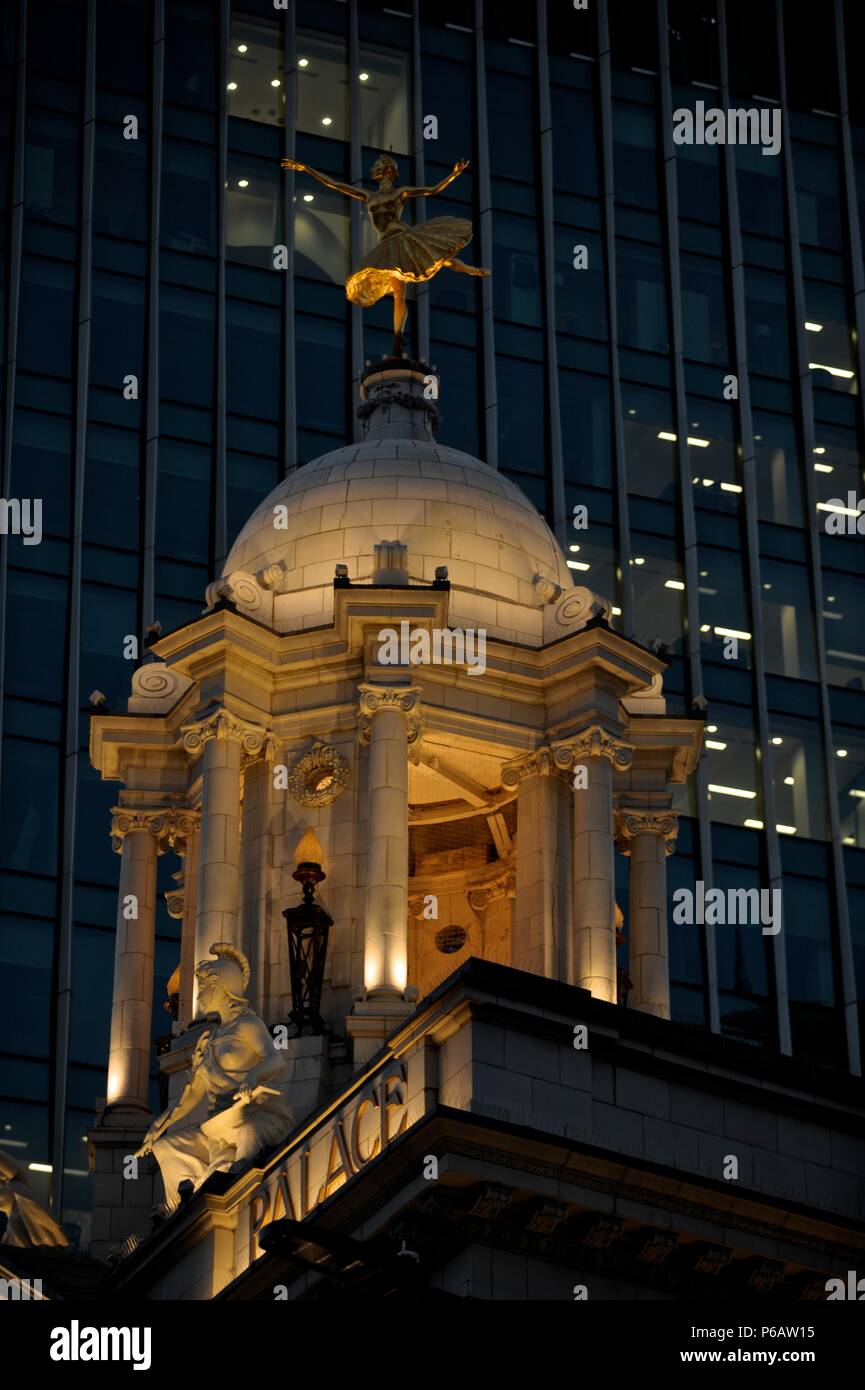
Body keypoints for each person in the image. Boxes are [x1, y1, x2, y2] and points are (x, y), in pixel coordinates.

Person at [282, 152, 489, 354]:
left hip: (402, 236)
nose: (376, 169)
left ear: (388, 171)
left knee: (437, 258)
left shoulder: (400, 192)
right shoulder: (368, 195)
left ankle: (470, 270)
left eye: (380, 166)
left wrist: (454, 174)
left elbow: (433, 190)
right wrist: (306, 168)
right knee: (401, 291)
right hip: (386, 245)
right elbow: (335, 185)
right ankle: (398, 334)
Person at [136, 943, 293, 1200]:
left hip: (254, 1117)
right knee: (166, 1148)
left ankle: (238, 1202)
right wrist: (159, 1125)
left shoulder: (248, 1025)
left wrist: (253, 1076)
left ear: (222, 988)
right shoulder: (208, 1041)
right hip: (217, 1129)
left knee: (248, 1135)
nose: (199, 998)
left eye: (204, 989)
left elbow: (276, 1060)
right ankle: (182, 1211)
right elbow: (192, 1094)